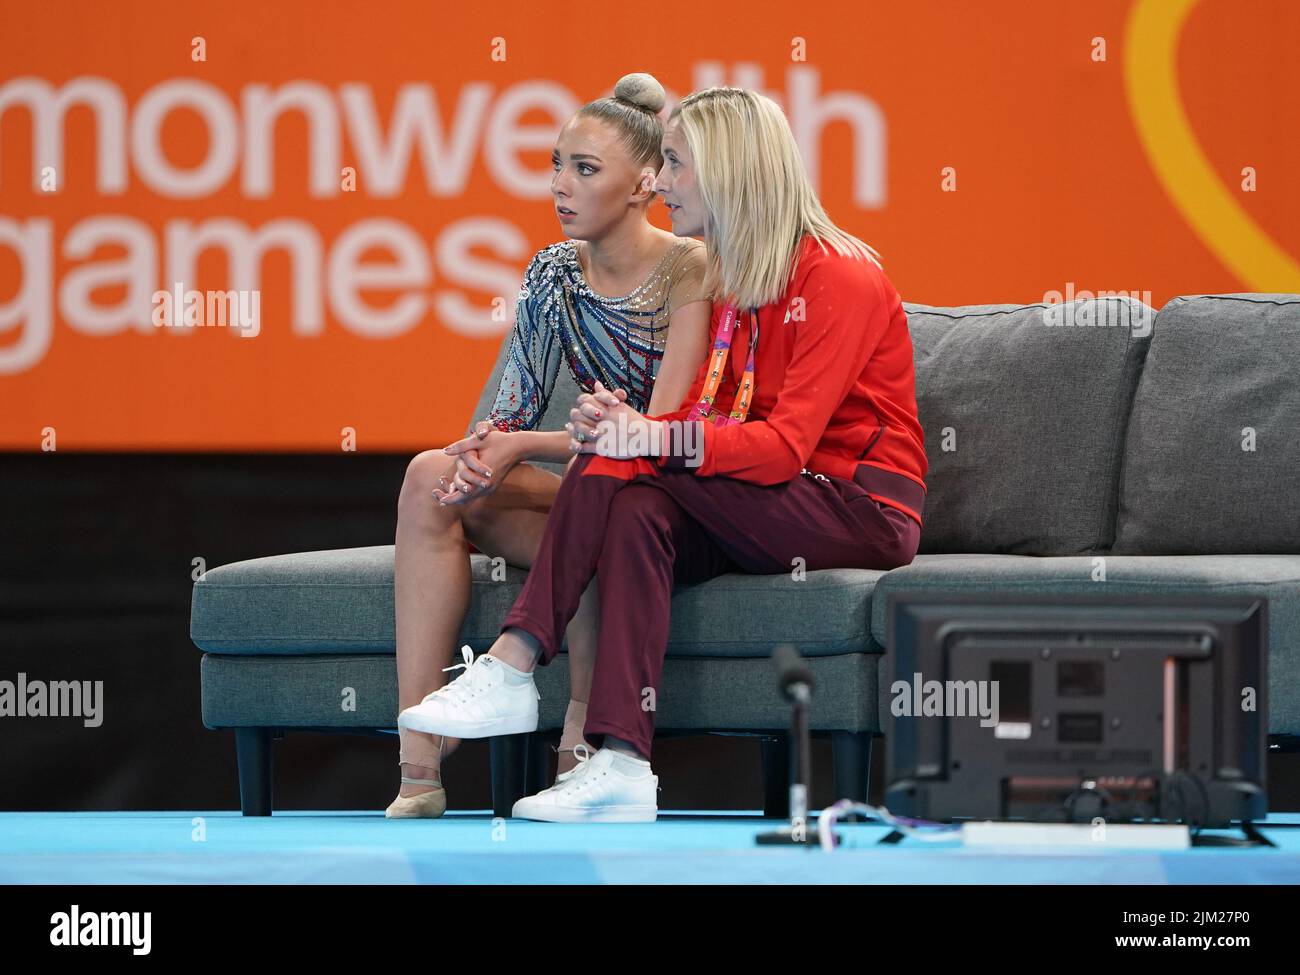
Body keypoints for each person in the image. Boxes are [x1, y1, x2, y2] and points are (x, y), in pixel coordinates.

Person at [399, 86, 927, 823]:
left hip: (857, 508)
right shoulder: (736, 277)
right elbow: (700, 422)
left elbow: (781, 450)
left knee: (631, 455)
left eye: (675, 164)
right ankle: (622, 763)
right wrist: (624, 423)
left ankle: (515, 659)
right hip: (771, 500)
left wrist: (649, 435)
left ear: (726, 172)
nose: (660, 182)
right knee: (637, 504)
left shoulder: (836, 274)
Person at [387, 73, 710, 818]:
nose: (561, 185)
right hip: (586, 475)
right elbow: (511, 408)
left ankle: (579, 745)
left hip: (653, 495)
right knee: (428, 475)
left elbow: (650, 435)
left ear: (643, 183)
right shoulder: (555, 271)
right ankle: (420, 763)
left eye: (585, 169)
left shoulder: (689, 267)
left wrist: (516, 447)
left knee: (611, 482)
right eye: (556, 165)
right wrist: (481, 448)